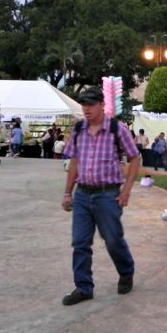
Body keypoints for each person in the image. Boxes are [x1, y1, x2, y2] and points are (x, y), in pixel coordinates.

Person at [60, 87, 141, 306]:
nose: (86, 109)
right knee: (80, 242)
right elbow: (74, 162)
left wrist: (126, 190)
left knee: (113, 240)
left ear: (102, 105)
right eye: (83, 104)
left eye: (91, 104)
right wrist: (68, 193)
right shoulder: (78, 130)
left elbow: (135, 158)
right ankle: (83, 287)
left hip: (108, 195)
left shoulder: (117, 129)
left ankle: (126, 271)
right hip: (83, 194)